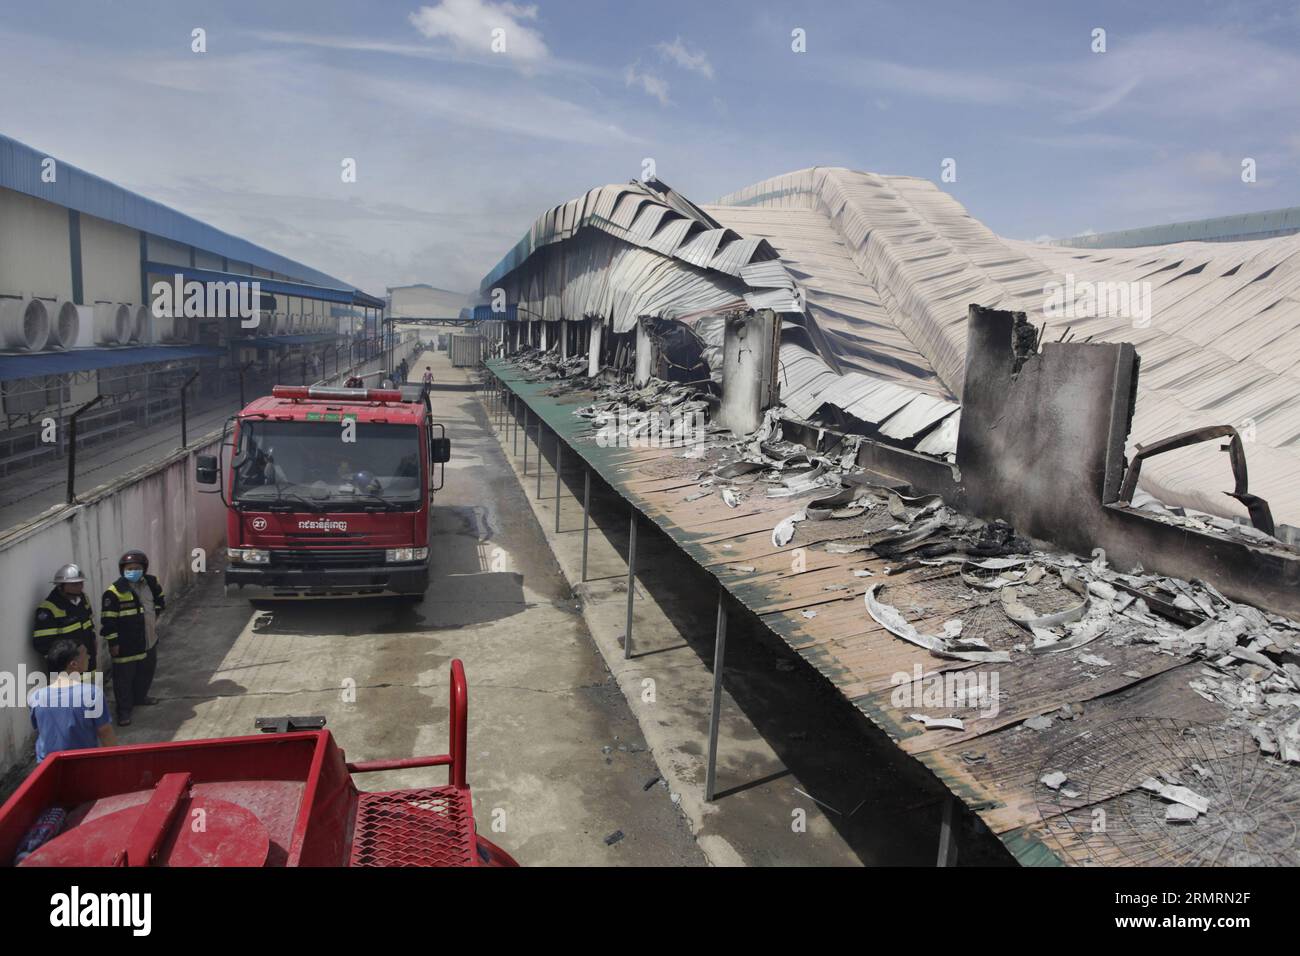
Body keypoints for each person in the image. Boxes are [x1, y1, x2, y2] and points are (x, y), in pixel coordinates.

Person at [100, 549, 165, 727]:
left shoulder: (151, 583)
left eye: (137, 568)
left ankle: (140, 697)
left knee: (146, 672)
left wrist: (153, 619)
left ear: (144, 569)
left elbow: (160, 600)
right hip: (126, 645)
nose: (133, 571)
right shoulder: (114, 592)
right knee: (123, 680)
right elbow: (108, 621)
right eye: (129, 568)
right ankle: (124, 711)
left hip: (148, 640)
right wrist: (113, 643)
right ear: (122, 570)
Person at [28, 640, 116, 762]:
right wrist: (116, 763)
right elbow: (105, 733)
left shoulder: (36, 697)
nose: (89, 657)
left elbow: (43, 730)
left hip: (47, 767)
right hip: (82, 763)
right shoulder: (91, 694)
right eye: (85, 654)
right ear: (73, 664)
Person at [33, 564, 97, 672]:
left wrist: (93, 641)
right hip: (66, 670)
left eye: (81, 583)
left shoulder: (83, 599)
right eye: (75, 584)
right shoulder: (48, 610)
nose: (80, 587)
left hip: (87, 662)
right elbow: (43, 644)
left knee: (91, 688)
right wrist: (65, 661)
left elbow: (89, 625)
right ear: (60, 586)